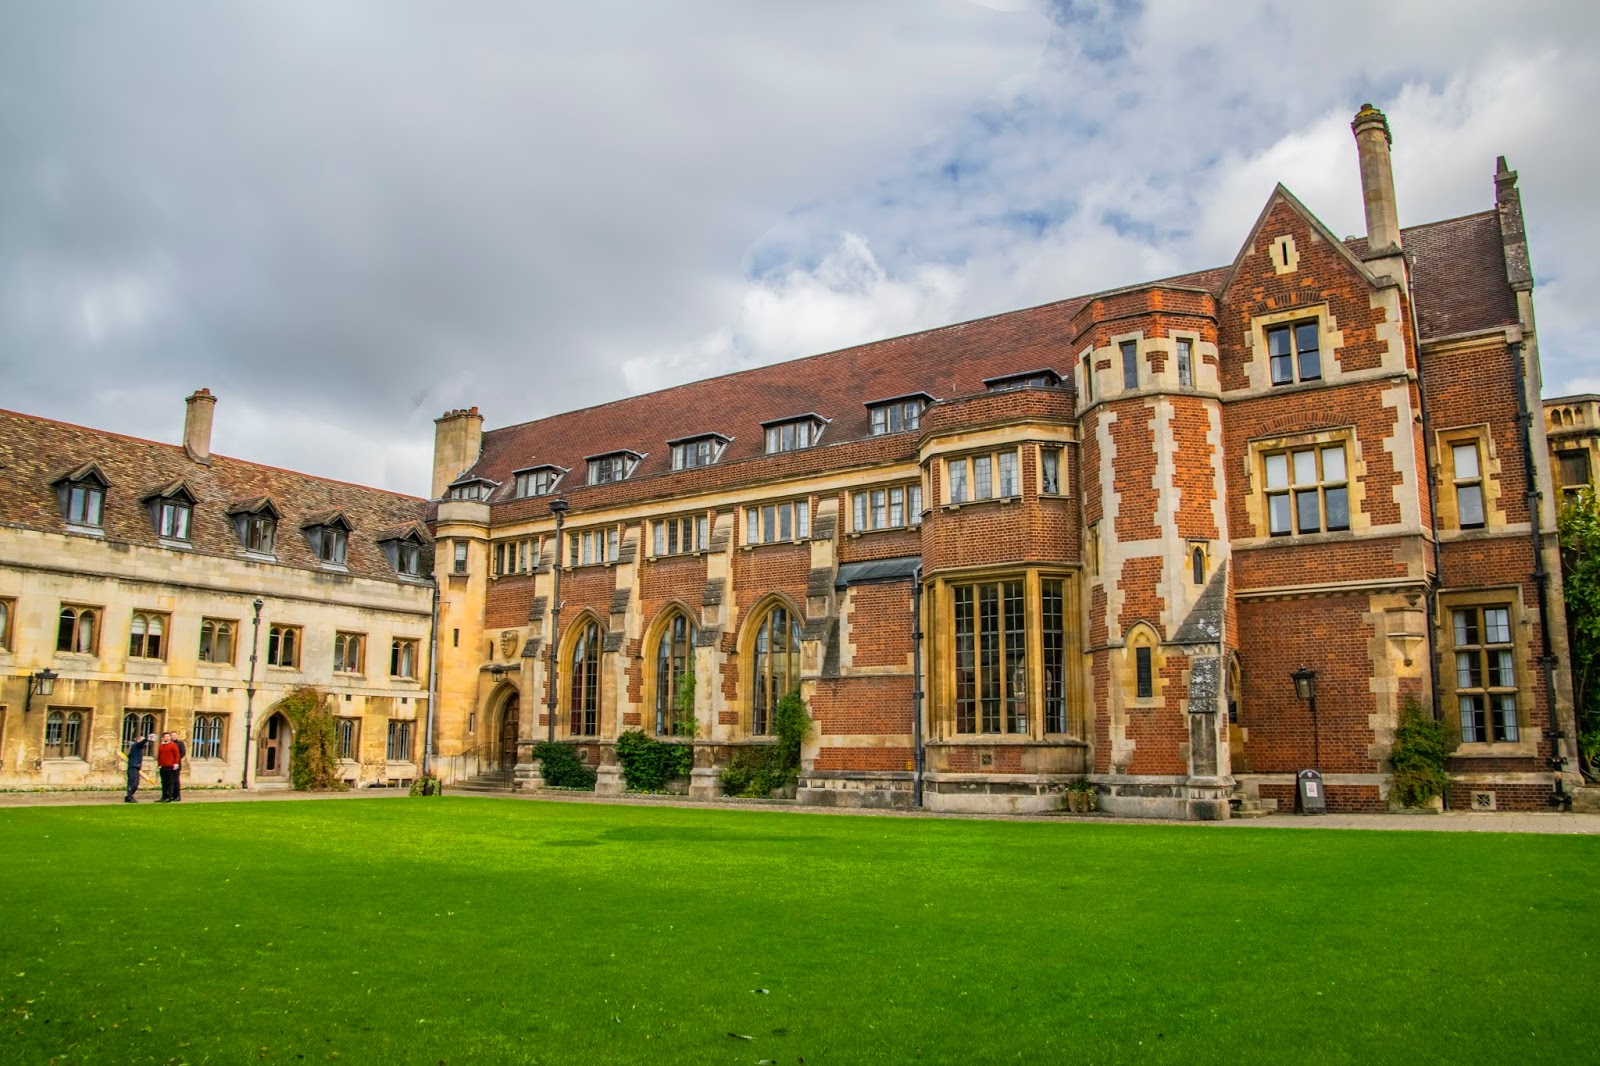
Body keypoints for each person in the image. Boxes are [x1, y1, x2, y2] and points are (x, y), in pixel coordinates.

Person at [124, 730, 154, 802]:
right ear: (138, 740)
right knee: (133, 782)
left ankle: (129, 796)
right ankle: (129, 796)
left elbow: (129, 755)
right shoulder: (135, 745)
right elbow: (141, 743)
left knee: (135, 783)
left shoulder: (136, 749)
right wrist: (147, 739)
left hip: (135, 766)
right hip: (133, 767)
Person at [156, 731, 182, 802]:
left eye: (168, 737)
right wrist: (159, 764)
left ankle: (169, 797)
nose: (167, 738)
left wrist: (176, 763)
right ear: (163, 738)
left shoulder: (173, 745)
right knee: (164, 782)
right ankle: (164, 796)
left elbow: (177, 755)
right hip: (163, 766)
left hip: (170, 766)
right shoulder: (161, 746)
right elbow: (159, 756)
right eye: (165, 737)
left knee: (170, 782)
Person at [172, 731, 187, 802]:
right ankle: (170, 795)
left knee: (175, 780)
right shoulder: (169, 743)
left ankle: (177, 796)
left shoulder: (180, 743)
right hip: (168, 764)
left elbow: (183, 752)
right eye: (172, 735)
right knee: (169, 781)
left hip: (176, 764)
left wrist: (175, 758)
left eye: (175, 735)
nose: (174, 737)